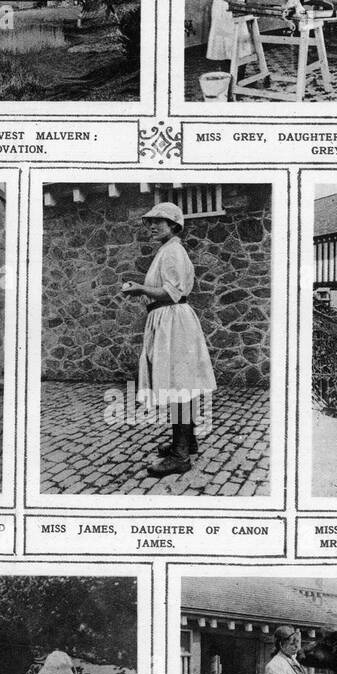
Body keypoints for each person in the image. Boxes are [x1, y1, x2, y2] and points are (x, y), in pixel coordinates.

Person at [121, 202, 217, 477]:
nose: (152, 226)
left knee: (179, 386)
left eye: (159, 221)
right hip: (167, 319)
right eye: (150, 221)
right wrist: (144, 289)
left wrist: (140, 288)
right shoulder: (166, 251)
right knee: (180, 384)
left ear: (174, 225)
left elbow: (172, 292)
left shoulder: (173, 251)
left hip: (173, 320)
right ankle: (186, 442)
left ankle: (180, 456)